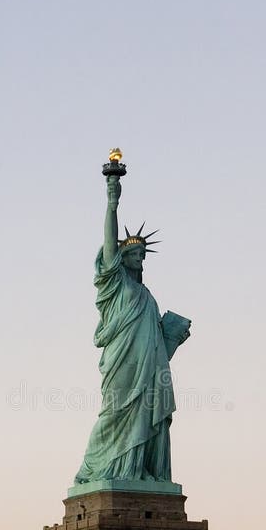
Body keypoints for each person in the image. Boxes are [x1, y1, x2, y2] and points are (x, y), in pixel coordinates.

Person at [75, 174, 190, 484]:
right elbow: (109, 244)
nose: (140, 259)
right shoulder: (114, 285)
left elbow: (155, 344)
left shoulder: (147, 296)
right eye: (134, 254)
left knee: (145, 414)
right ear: (121, 259)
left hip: (149, 368)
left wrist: (173, 336)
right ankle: (95, 470)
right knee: (113, 413)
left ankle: (137, 471)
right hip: (121, 362)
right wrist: (112, 202)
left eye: (142, 255)